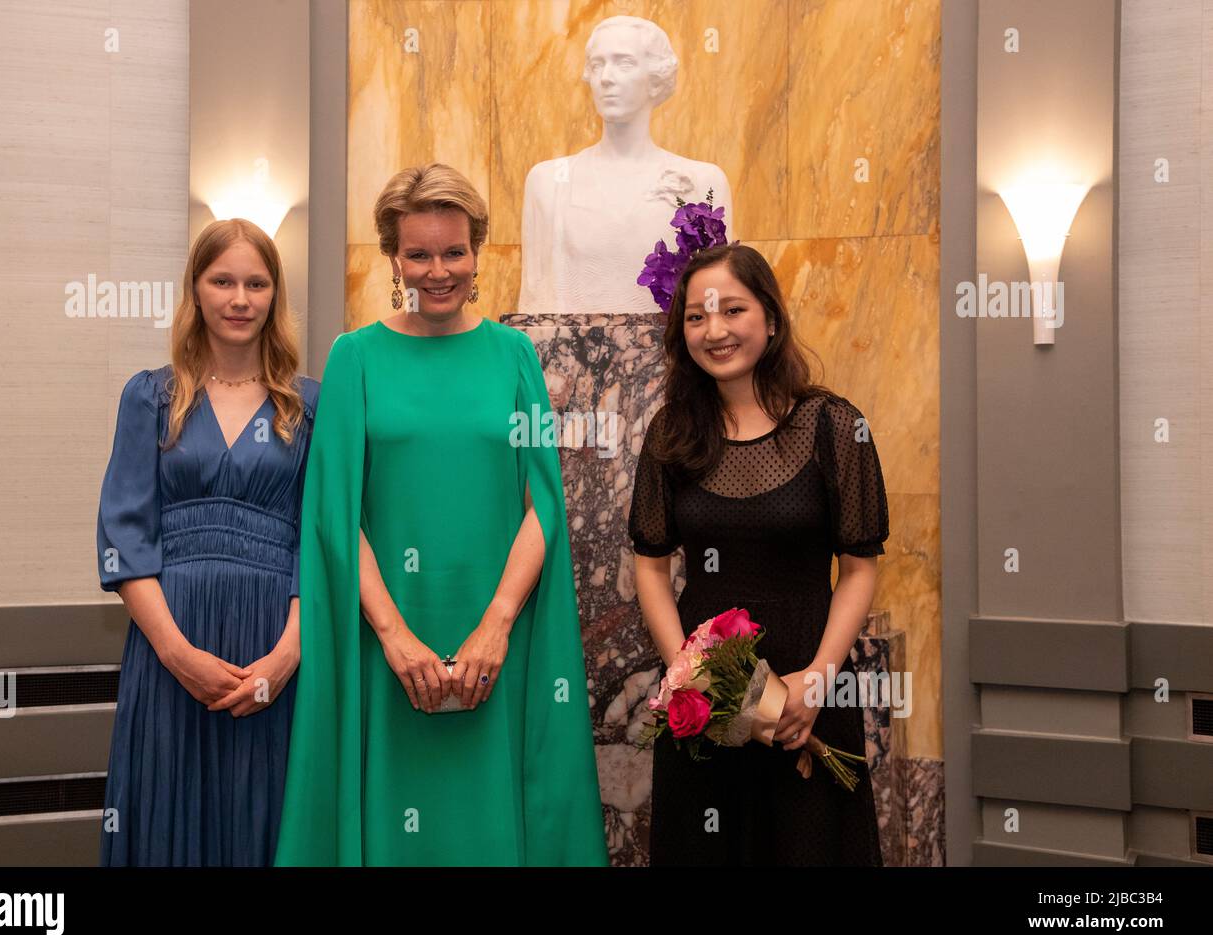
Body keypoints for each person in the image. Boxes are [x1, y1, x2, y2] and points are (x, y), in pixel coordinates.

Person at [276, 163, 607, 866]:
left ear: (477, 251)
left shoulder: (514, 356)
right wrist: (395, 638)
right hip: (389, 652)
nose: (437, 271)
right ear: (393, 257)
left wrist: (495, 627)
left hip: (496, 649)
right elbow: (336, 516)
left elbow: (543, 504)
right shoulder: (356, 358)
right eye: (418, 254)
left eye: (453, 251)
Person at [628, 242, 888, 865]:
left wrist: (817, 681)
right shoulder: (670, 433)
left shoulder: (833, 426)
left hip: (811, 678)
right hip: (702, 694)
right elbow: (652, 566)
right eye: (696, 316)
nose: (714, 330)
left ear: (770, 319)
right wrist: (689, 676)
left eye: (732, 310)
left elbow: (858, 568)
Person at [96, 219, 318, 865]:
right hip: (170, 649)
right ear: (196, 290)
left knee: (262, 822)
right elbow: (125, 537)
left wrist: (284, 660)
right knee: (168, 821)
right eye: (222, 280)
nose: (239, 298)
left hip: (272, 654)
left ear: (275, 296)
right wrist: (177, 655)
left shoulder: (309, 408)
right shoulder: (149, 397)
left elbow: (321, 540)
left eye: (256, 283)